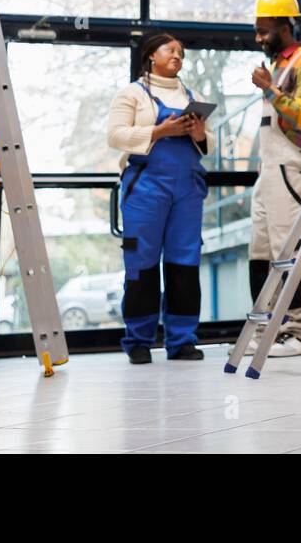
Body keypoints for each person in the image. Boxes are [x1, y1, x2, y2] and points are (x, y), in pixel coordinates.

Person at [106, 33, 214, 364]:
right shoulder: (132, 94)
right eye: (170, 50)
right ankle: (138, 340)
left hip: (186, 188)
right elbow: (115, 135)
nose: (177, 55)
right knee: (142, 264)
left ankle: (181, 341)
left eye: (181, 52)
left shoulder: (191, 95)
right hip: (145, 187)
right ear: (151, 55)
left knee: (184, 262)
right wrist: (158, 132)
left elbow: (209, 143)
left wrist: (198, 134)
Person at [244, 0, 301, 358]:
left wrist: (270, 90)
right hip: (269, 170)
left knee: (291, 248)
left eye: (264, 31)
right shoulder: (278, 66)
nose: (259, 38)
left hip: (292, 169)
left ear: (283, 25)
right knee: (261, 250)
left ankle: (298, 332)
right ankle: (266, 329)